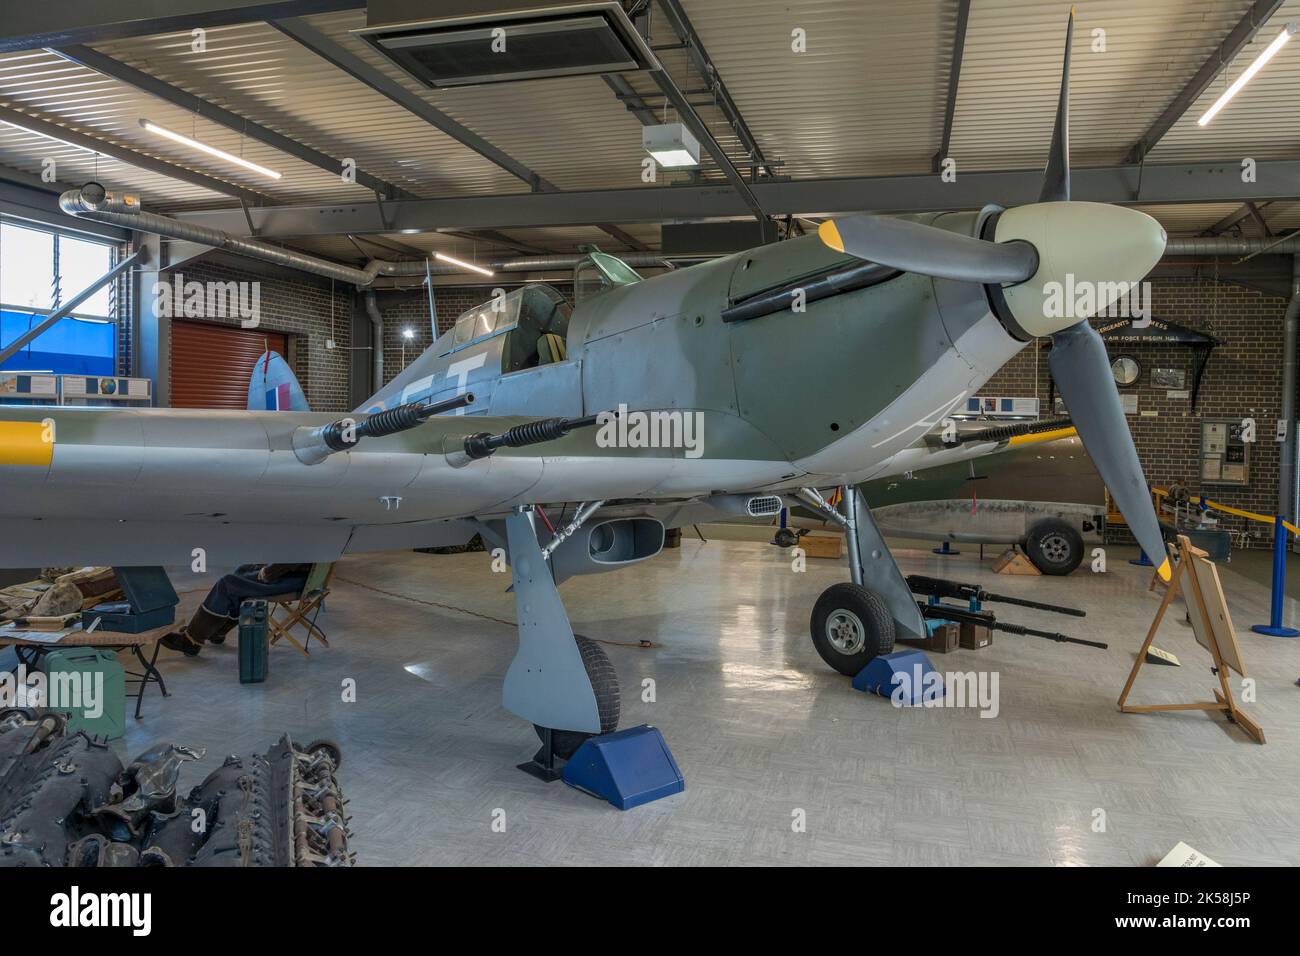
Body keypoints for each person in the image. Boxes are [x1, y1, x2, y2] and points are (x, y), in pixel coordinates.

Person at [161, 564, 311, 656]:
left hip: (292, 579)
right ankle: (218, 631)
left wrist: (268, 571)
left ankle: (190, 641)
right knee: (242, 570)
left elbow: (294, 559)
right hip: (300, 576)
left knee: (227, 583)